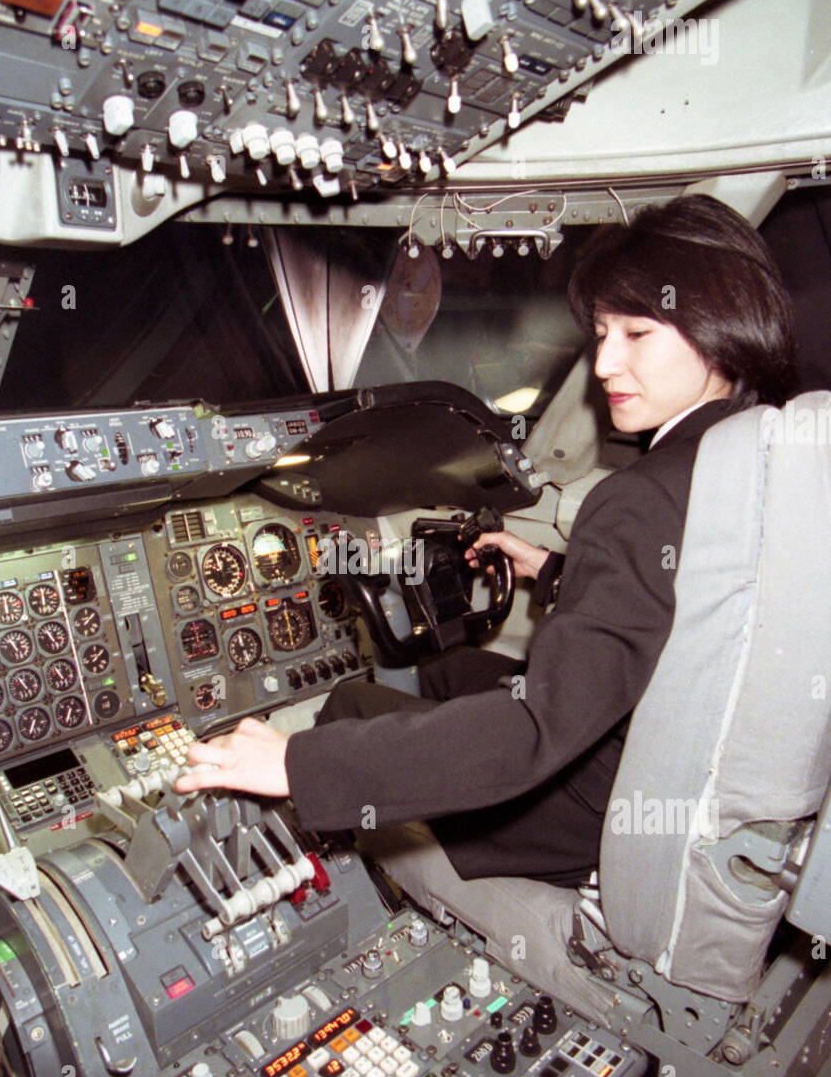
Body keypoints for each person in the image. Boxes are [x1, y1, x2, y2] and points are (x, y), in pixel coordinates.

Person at [173, 195, 797, 888]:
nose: (603, 366)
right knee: (450, 673)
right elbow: (696, 606)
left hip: (593, 811)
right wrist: (560, 570)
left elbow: (536, 730)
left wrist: (296, 763)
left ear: (717, 324)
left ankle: (364, 889)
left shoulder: (642, 496)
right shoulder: (758, 457)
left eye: (636, 335)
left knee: (355, 705)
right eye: (599, 334)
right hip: (687, 774)